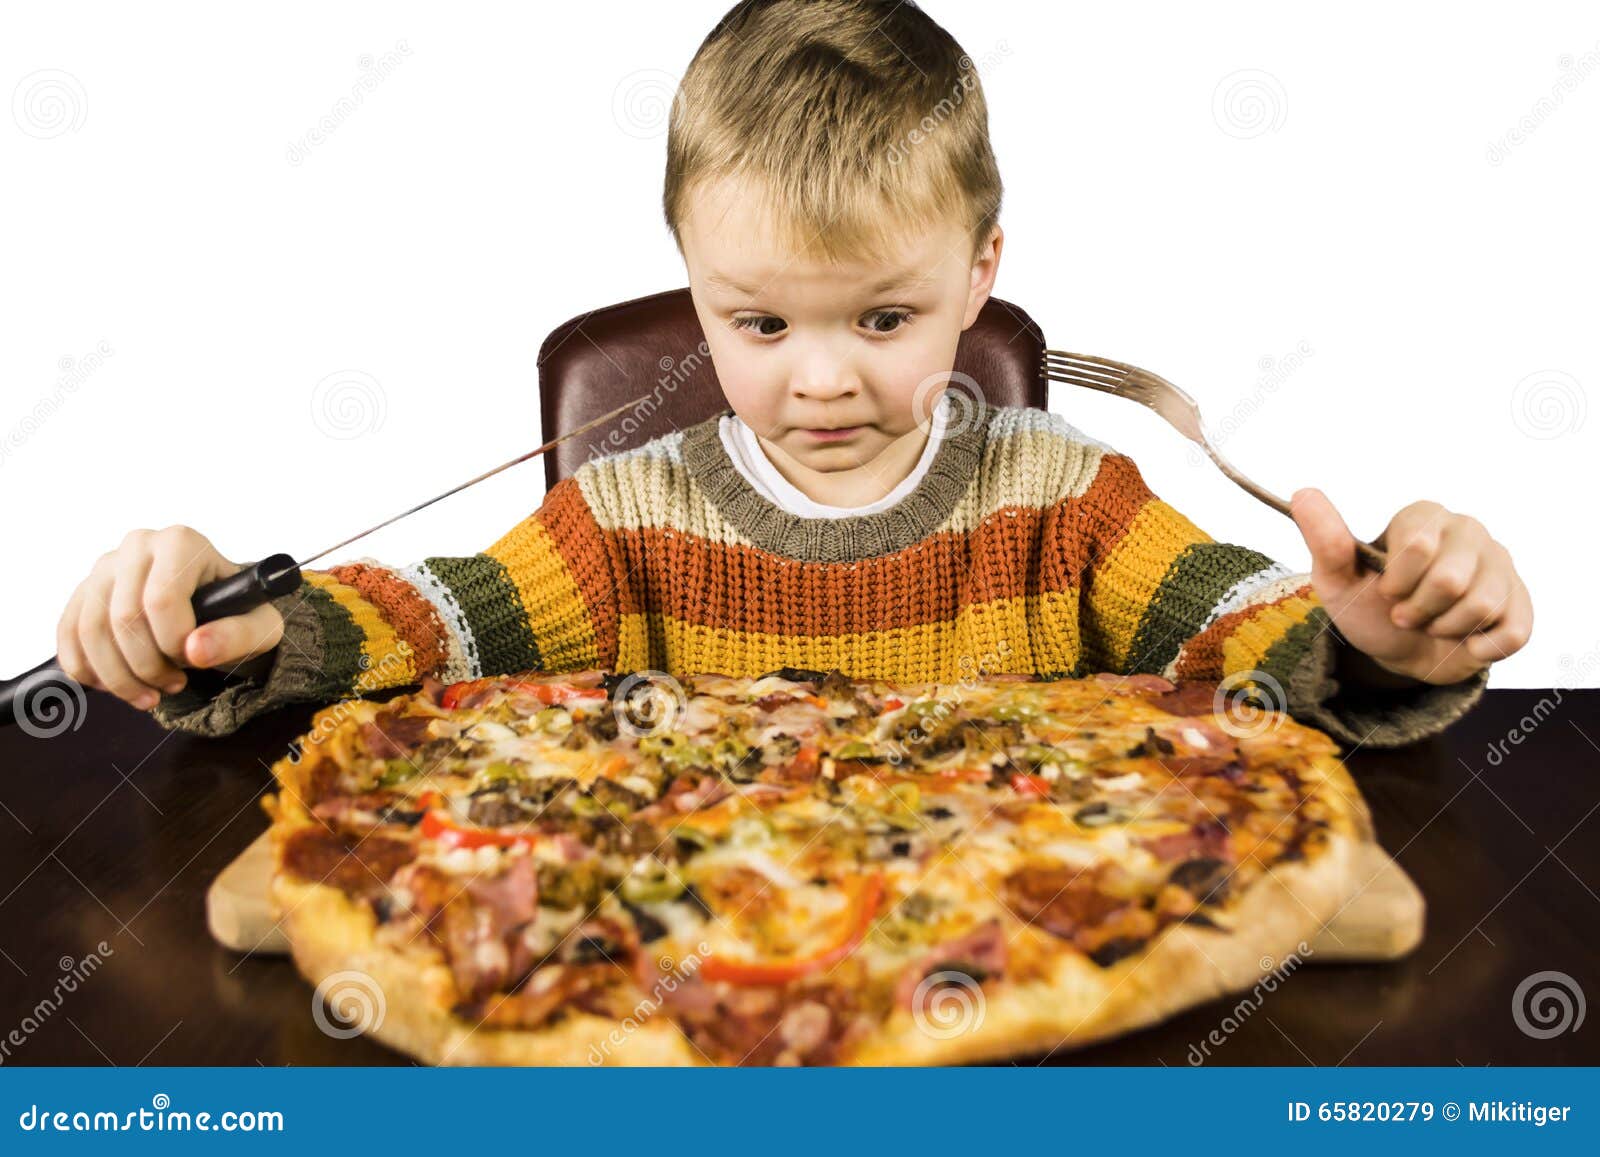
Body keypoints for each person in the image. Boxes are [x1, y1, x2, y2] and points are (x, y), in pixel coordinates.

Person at [55, 0, 1530, 746]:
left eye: (882, 320)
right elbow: (429, 623)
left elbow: (1251, 633)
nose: (820, 380)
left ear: (980, 277)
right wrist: (253, 626)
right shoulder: (629, 513)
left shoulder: (1068, 494)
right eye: (758, 326)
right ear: (693, 289)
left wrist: (1375, 639)